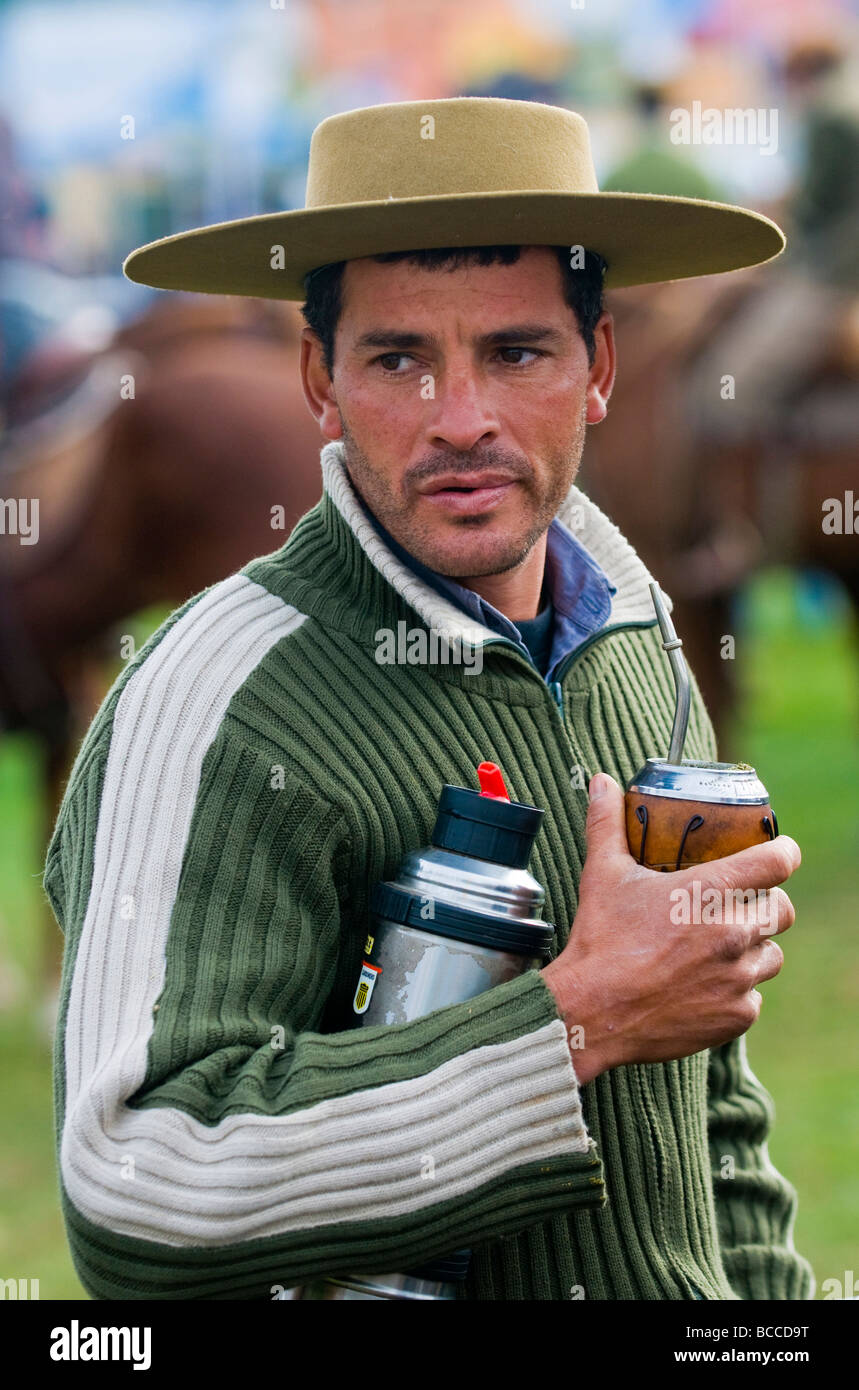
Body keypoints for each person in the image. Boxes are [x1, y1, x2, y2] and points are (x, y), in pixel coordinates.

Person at [45, 97, 813, 1300]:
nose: (463, 421)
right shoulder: (209, 702)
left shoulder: (638, 631)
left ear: (598, 365)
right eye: (398, 358)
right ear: (319, 378)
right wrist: (575, 1025)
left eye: (517, 353)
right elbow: (136, 1188)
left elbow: (708, 1116)